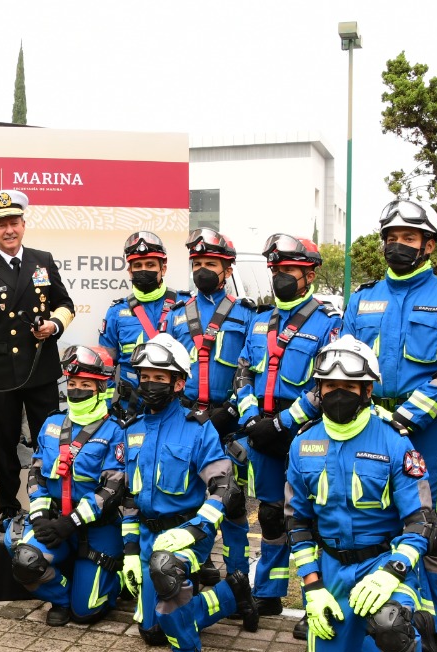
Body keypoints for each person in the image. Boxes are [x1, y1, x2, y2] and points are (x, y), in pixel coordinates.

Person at [335, 199, 437, 652]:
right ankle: (395, 622)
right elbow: (347, 358)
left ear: (429, 245)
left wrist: (408, 417)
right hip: (370, 426)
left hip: (428, 433)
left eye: (409, 238)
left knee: (432, 534)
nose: (397, 245)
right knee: (376, 525)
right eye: (391, 237)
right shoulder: (363, 298)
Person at [286, 336, 436, 652]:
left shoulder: (394, 442)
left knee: (389, 622)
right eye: (329, 386)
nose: (338, 394)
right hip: (333, 570)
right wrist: (312, 589)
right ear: (318, 390)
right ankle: (388, 647)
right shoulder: (302, 444)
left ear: (367, 391)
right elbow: (297, 524)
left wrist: (392, 572)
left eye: (348, 387)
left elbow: (421, 521)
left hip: (382, 564)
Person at [120, 333, 258, 652]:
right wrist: (131, 550)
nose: (149, 384)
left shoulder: (199, 429)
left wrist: (194, 530)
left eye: (159, 378)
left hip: (187, 534)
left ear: (178, 382)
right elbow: (132, 497)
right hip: (149, 534)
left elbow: (222, 487)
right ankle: (230, 594)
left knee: (166, 571)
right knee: (151, 631)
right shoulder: (132, 429)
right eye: (144, 376)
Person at [234, 235, 340, 623]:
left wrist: (283, 423)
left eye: (289, 271)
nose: (280, 277)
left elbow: (326, 384)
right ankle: (269, 592)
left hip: (304, 431)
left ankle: (320, 602)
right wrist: (251, 421)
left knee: (312, 517)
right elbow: (242, 373)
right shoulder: (260, 320)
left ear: (308, 274)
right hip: (261, 429)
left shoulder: (329, 323)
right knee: (270, 514)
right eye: (276, 270)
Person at [0, 190, 75, 529]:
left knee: (49, 438)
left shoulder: (43, 260)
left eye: (14, 223)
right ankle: (9, 507)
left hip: (41, 367)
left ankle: (49, 504)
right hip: (2, 373)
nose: (9, 230)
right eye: (0, 225)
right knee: (5, 444)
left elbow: (65, 304)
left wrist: (53, 325)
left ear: (23, 225)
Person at [4, 346, 125, 625]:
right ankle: (62, 598)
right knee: (24, 557)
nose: (77, 390)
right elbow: (36, 475)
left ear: (101, 388)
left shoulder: (115, 430)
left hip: (97, 528)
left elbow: (112, 489)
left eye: (86, 385)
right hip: (56, 520)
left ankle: (112, 585)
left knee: (86, 614)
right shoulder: (51, 423)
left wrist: (70, 523)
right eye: (72, 384)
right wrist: (40, 515)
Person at [168, 228, 256, 577]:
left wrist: (231, 412)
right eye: (198, 262)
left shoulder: (247, 315)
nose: (203, 269)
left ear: (228, 270)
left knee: (234, 503)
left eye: (211, 263)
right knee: (189, 495)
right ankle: (196, 565)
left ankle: (236, 576)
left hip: (229, 421)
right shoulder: (175, 313)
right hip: (187, 419)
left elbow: (250, 367)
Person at [99, 232, 183, 424]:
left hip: (174, 408)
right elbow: (106, 366)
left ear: (164, 268)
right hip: (131, 410)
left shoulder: (184, 306)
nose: (143, 270)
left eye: (150, 265)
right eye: (137, 265)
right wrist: (106, 409)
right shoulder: (116, 312)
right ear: (129, 270)